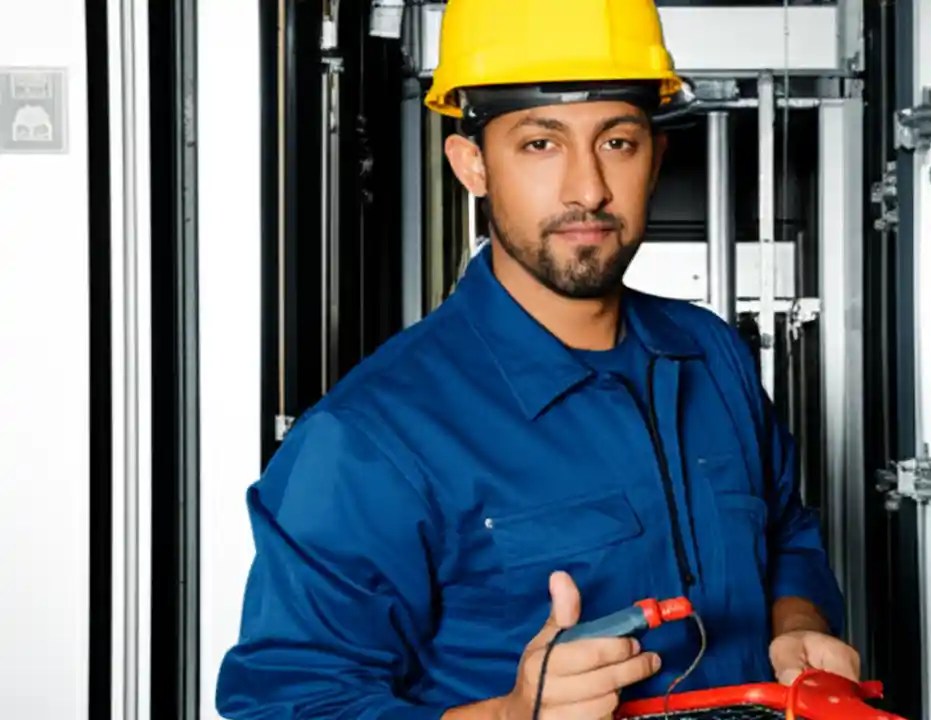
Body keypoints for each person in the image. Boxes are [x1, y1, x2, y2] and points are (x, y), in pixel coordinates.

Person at [215, 0, 861, 717]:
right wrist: (510, 714)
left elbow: (784, 532)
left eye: (617, 142)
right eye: (540, 144)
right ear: (472, 165)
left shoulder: (711, 356)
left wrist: (798, 622)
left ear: (655, 157)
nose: (587, 188)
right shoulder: (371, 437)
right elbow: (287, 703)